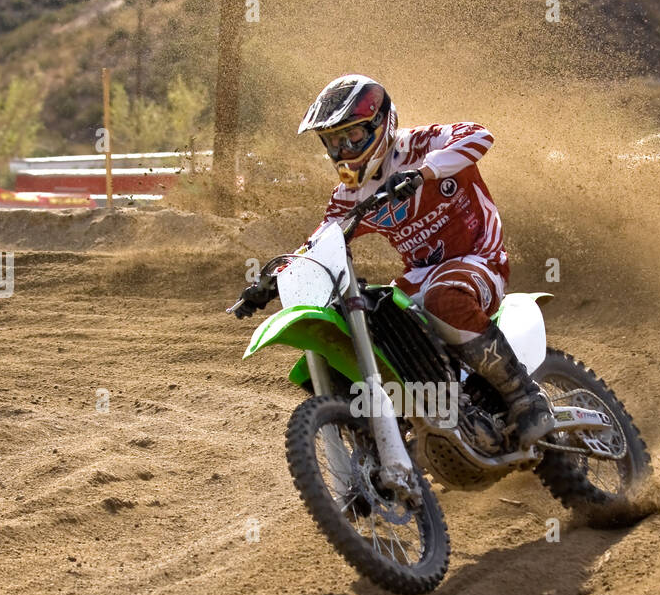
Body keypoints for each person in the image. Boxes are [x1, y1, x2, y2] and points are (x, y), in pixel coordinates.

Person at [235, 74, 553, 449]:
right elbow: (319, 242)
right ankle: (401, 432)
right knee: (377, 322)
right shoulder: (349, 193)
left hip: (478, 256)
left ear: (380, 124)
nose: (342, 150)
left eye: (351, 136)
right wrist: (273, 280)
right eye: (333, 141)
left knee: (443, 299)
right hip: (419, 277)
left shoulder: (420, 144)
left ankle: (525, 397)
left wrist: (422, 172)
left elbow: (480, 135)